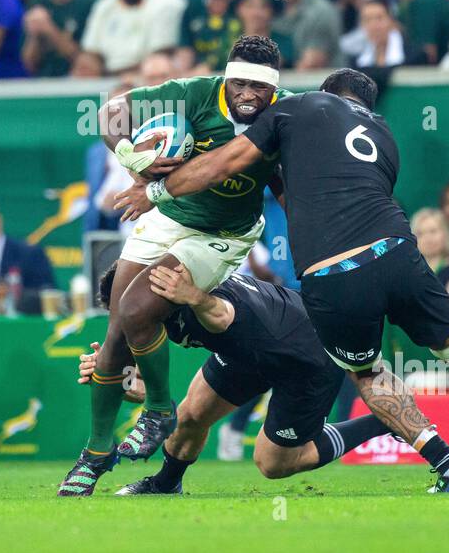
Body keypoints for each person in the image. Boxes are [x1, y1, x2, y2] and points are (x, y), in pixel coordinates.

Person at [116, 66, 449, 487]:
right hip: (400, 251)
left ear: (325, 93)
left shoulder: (299, 108)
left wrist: (156, 191)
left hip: (336, 273)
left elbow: (225, 162)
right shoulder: (385, 139)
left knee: (368, 372)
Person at [59, 36, 287, 497]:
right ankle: (96, 453)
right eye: (239, 83)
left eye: (259, 88)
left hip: (224, 236)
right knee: (116, 334)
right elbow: (112, 113)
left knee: (140, 307)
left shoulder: (288, 114)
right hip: (168, 216)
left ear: (274, 88)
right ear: (226, 77)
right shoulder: (193, 93)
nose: (248, 95)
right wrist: (129, 154)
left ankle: (160, 410)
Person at [78, 265, 449, 496]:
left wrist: (194, 297)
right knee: (191, 416)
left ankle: (378, 422)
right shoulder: (150, 305)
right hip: (246, 351)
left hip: (303, 356)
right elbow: (149, 394)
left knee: (274, 463)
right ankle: (167, 484)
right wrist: (110, 376)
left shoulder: (179, 291)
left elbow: (221, 315)